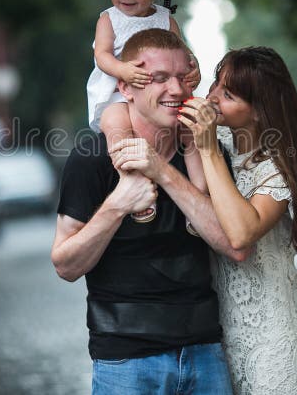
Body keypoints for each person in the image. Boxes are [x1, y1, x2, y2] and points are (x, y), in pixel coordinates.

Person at [53, 28, 247, 394]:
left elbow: (235, 246)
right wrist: (117, 205)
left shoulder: (208, 153)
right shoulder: (91, 160)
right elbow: (65, 265)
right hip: (126, 360)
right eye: (158, 78)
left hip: (205, 352)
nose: (175, 90)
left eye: (180, 77)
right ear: (126, 88)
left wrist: (162, 172)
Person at [177, 46, 297, 395]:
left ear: (259, 111)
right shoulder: (220, 141)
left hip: (275, 345)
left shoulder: (277, 166)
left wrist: (208, 148)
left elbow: (241, 233)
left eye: (227, 94)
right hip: (220, 341)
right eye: (216, 83)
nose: (212, 97)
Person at [86, 0, 204, 219]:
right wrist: (122, 70)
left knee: (191, 128)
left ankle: (199, 192)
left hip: (158, 97)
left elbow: (182, 52)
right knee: (117, 127)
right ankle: (132, 181)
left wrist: (192, 67)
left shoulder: (166, 20)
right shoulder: (109, 19)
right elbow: (102, 55)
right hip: (117, 93)